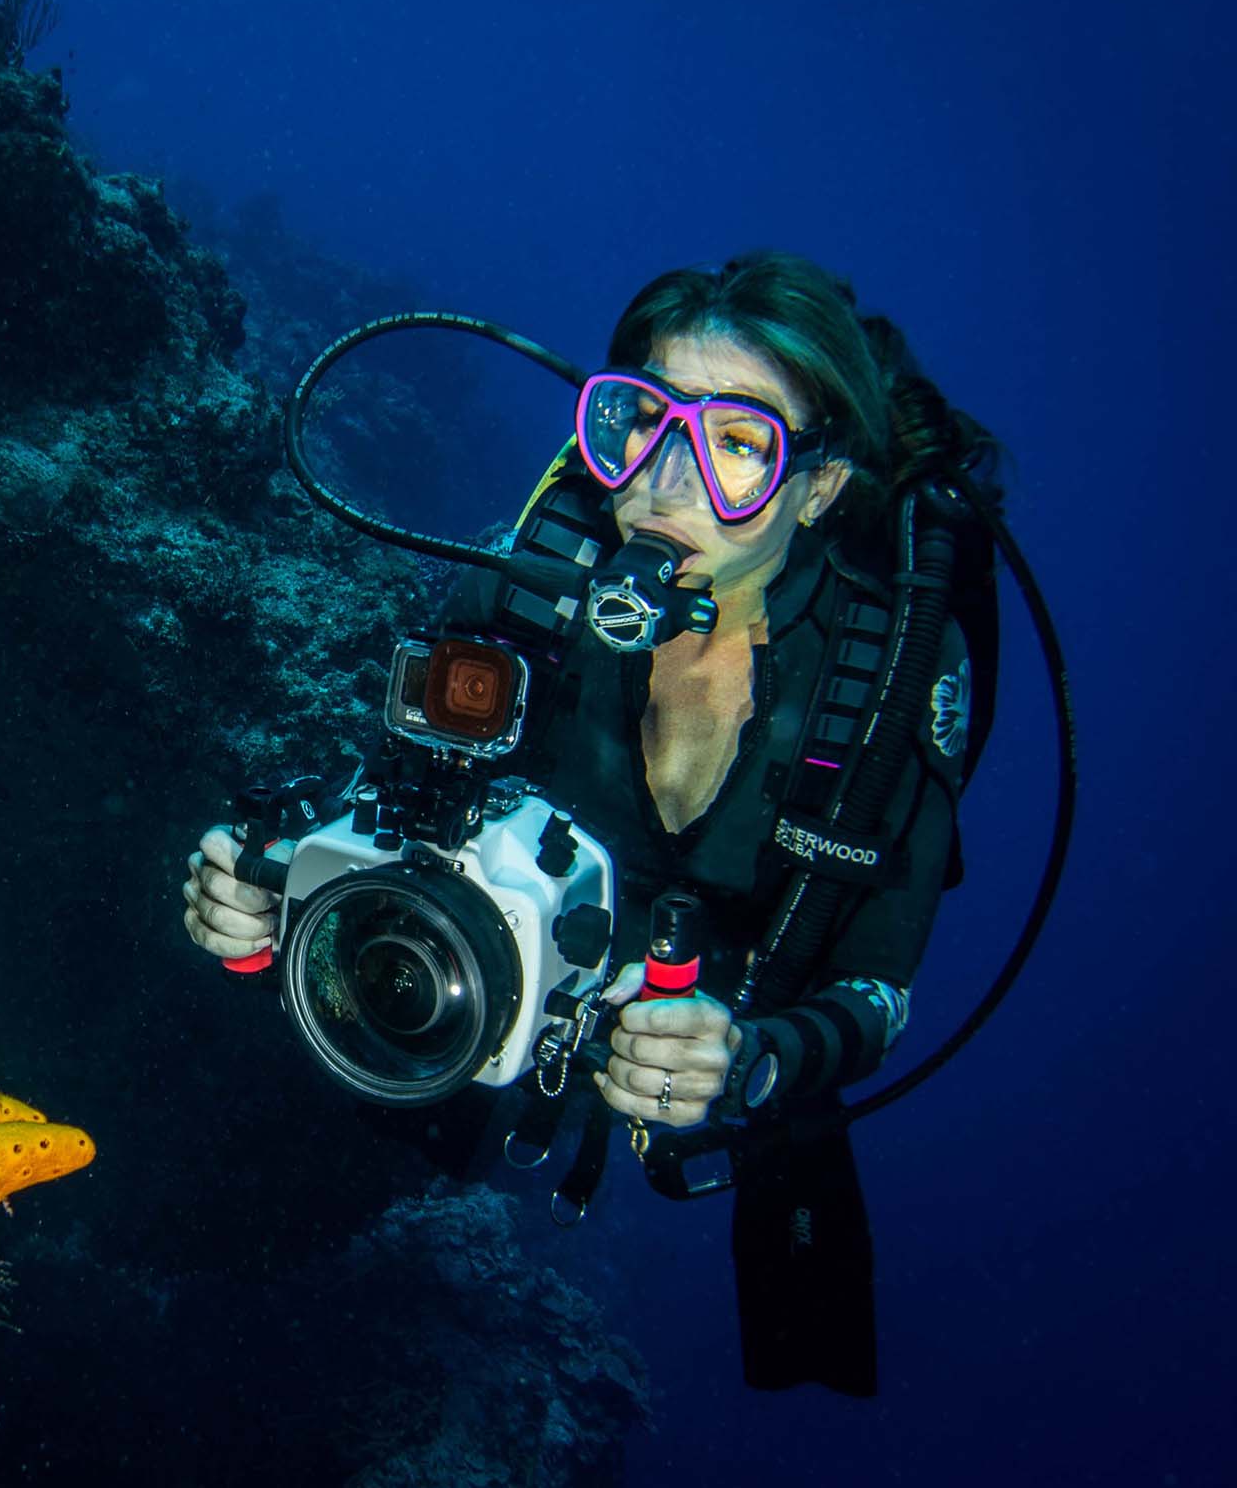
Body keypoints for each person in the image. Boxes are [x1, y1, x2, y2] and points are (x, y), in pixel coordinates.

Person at [182, 251, 996, 1394]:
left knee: (805, 1307)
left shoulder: (887, 679)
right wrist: (270, 900)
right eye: (642, 425)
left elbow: (876, 983)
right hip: (497, 993)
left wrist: (754, 1060)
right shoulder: (531, 591)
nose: (665, 485)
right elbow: (406, 803)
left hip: (735, 1007)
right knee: (247, 1242)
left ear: (816, 490)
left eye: (738, 448)